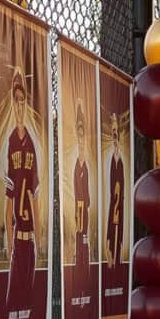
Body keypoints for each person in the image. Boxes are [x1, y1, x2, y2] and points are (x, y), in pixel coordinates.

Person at [2, 68, 42, 313]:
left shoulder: (32, 144)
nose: (19, 106)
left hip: (30, 241)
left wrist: (39, 239)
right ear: (11, 104)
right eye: (15, 101)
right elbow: (9, 203)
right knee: (12, 305)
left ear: (26, 104)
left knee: (28, 302)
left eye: (23, 100)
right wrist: (9, 243)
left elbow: (35, 200)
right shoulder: (9, 143)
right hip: (17, 239)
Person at [72, 100, 91, 305]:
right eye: (79, 135)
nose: (81, 139)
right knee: (79, 246)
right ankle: (79, 285)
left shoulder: (86, 165)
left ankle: (85, 284)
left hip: (84, 213)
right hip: (78, 214)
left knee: (85, 246)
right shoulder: (75, 164)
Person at [104, 112, 125, 269]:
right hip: (113, 202)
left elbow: (121, 184)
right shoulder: (111, 160)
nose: (115, 140)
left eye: (117, 135)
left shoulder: (121, 162)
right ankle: (110, 256)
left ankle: (117, 258)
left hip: (119, 203)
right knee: (111, 228)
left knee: (119, 228)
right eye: (113, 135)